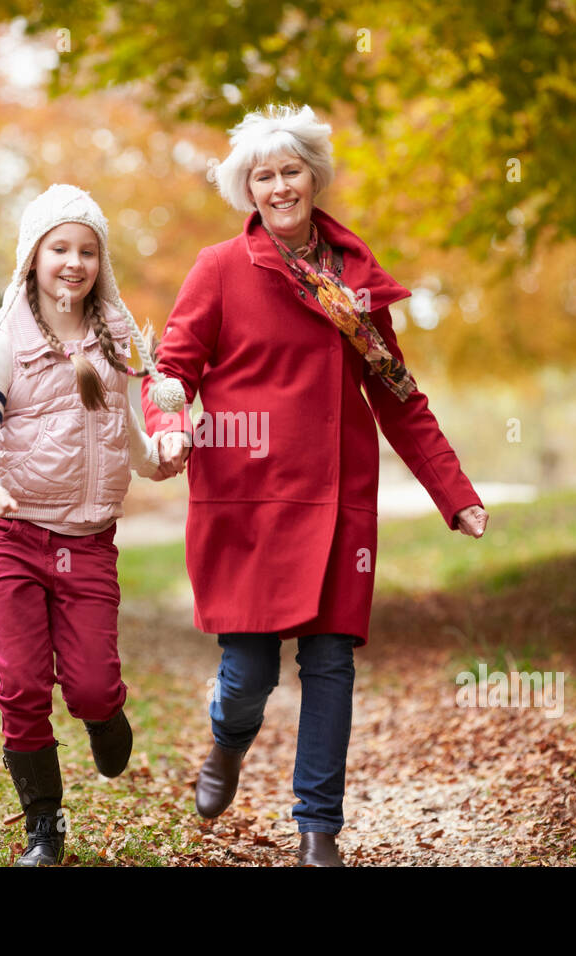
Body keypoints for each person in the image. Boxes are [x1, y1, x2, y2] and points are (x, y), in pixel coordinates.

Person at [142, 104, 490, 867]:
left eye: (290, 171)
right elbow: (170, 370)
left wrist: (453, 492)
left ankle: (317, 831)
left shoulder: (354, 282)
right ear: (249, 190)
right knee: (248, 674)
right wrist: (167, 425)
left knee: (330, 662)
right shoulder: (220, 269)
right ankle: (226, 745)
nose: (279, 186)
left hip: (338, 503)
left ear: (313, 177)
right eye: (262, 176)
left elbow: (397, 390)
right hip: (248, 503)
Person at [0, 183, 183, 866]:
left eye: (87, 250)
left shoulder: (115, 341)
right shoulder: (0, 345)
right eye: (59, 248)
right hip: (12, 536)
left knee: (90, 686)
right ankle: (43, 829)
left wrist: (159, 460)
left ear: (99, 263)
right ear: (32, 258)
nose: (73, 262)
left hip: (88, 544)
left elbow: (126, 435)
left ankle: (105, 715)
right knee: (22, 683)